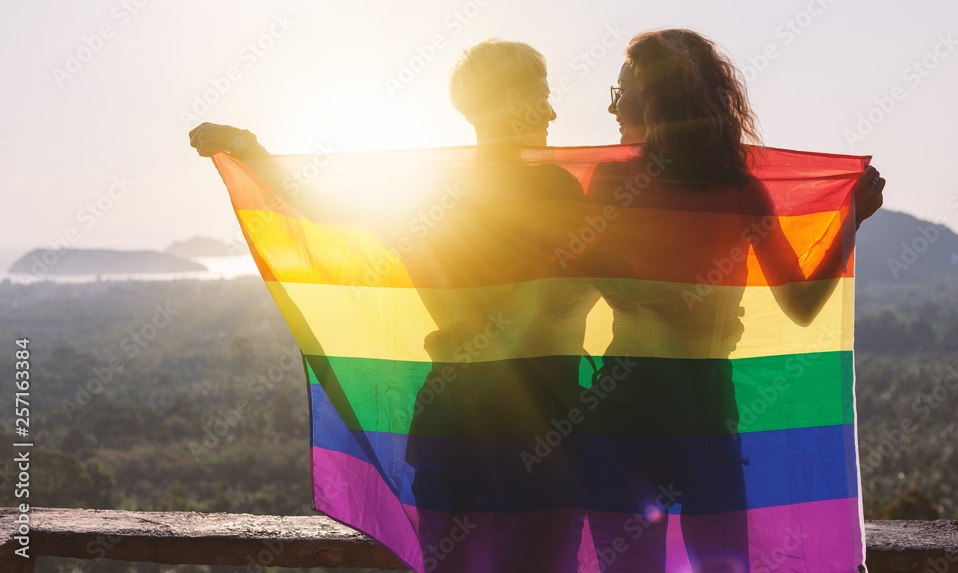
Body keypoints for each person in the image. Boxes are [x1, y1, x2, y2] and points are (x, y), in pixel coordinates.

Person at [189, 39, 597, 572]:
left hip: (454, 429)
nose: (553, 110)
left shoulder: (428, 193)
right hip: (548, 429)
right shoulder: (558, 191)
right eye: (543, 95)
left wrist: (250, 149)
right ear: (513, 100)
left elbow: (315, 201)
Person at [581, 28, 884, 572]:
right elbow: (802, 303)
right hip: (688, 415)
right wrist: (849, 222)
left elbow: (596, 281)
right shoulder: (737, 191)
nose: (611, 105)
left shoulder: (618, 184)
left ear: (659, 98)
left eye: (623, 89)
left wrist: (850, 219)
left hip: (638, 413)